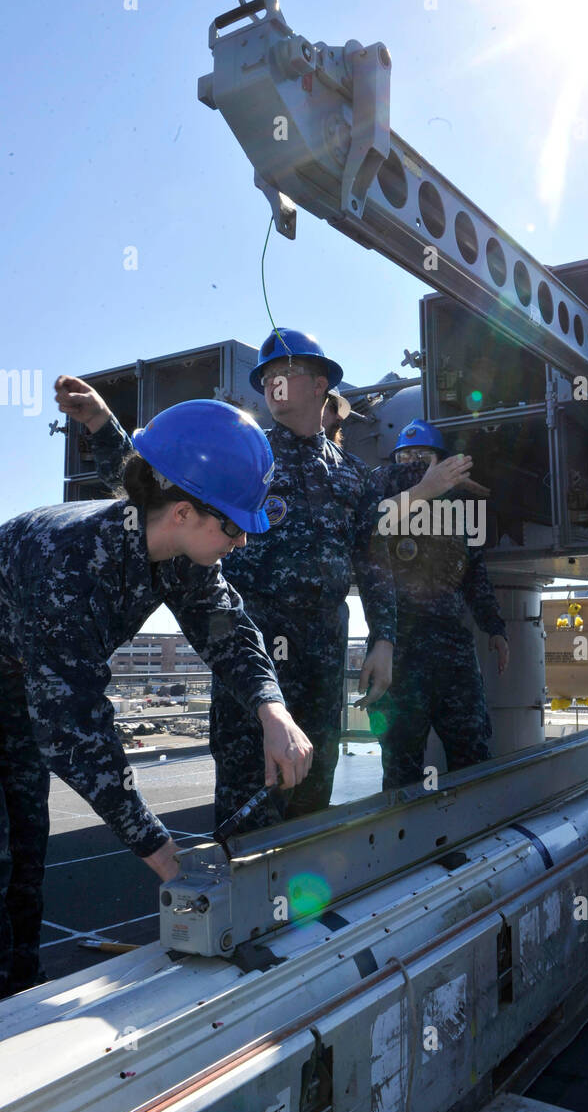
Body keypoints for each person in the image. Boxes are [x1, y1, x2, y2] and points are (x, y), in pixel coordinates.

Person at [0, 399, 311, 999]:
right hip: (18, 673)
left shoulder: (182, 554)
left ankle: (17, 996)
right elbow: (78, 738)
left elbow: (229, 634)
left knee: (26, 850)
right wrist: (171, 864)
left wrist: (273, 710)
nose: (243, 541)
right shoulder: (68, 565)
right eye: (233, 525)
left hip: (18, 677)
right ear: (185, 511)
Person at [56, 329, 395, 825]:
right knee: (246, 793)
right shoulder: (244, 453)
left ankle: (302, 897)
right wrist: (103, 426)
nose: (275, 385)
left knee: (313, 788)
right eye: (268, 378)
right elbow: (154, 481)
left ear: (321, 382)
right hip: (247, 640)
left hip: (323, 647)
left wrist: (383, 638)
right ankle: (243, 896)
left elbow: (374, 561)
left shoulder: (354, 475)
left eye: (287, 373)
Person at [367, 419, 509, 788]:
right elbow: (370, 521)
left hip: (453, 650)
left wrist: (494, 627)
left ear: (443, 461)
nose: (412, 462)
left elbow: (475, 573)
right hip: (397, 647)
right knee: (400, 761)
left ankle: (477, 834)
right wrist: (424, 485)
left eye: (422, 455)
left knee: (472, 751)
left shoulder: (461, 507)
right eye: (405, 455)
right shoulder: (383, 484)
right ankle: (402, 841)